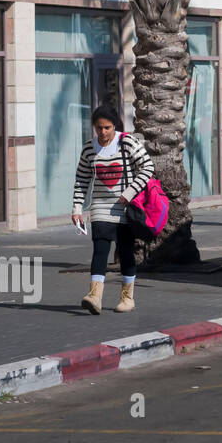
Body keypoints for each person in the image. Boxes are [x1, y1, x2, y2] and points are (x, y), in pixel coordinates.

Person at [71, 105, 153, 314]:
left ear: (114, 126)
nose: (103, 132)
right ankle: (94, 296)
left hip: (124, 207)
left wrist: (129, 193)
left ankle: (128, 297)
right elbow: (82, 179)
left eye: (107, 128)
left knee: (125, 251)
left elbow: (147, 167)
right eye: (99, 128)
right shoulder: (89, 148)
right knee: (100, 249)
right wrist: (77, 208)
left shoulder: (126, 142)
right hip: (100, 205)